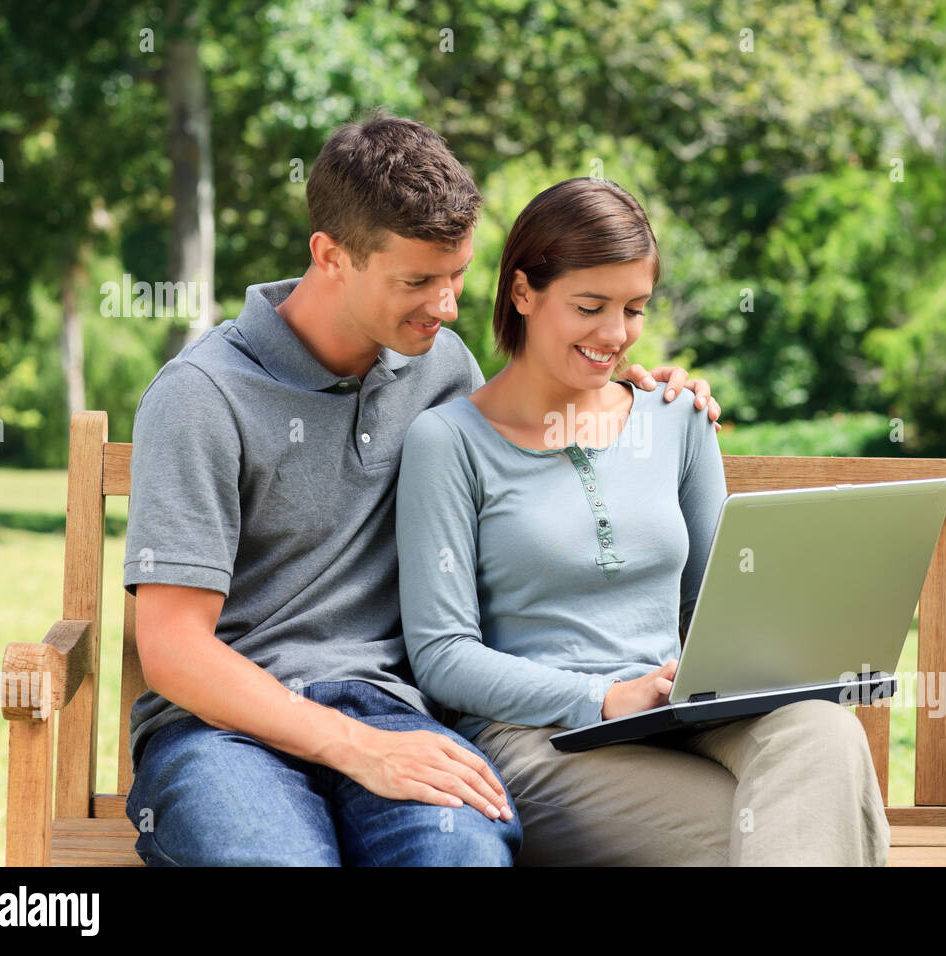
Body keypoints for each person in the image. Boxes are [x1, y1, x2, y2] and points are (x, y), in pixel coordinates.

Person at [121, 110, 720, 866]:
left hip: (399, 713)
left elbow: (545, 423)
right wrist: (356, 749)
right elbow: (174, 651)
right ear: (331, 255)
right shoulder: (203, 394)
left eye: (458, 275)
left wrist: (634, 386)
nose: (446, 305)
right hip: (222, 734)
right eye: (417, 281)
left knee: (461, 857)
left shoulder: (442, 367)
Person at [396, 177, 891, 866]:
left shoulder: (677, 417)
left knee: (825, 734)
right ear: (522, 293)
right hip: (541, 739)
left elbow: (721, 596)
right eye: (590, 306)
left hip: (685, 709)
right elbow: (443, 655)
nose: (615, 335)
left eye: (634, 309)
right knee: (773, 833)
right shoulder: (447, 442)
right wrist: (601, 697)